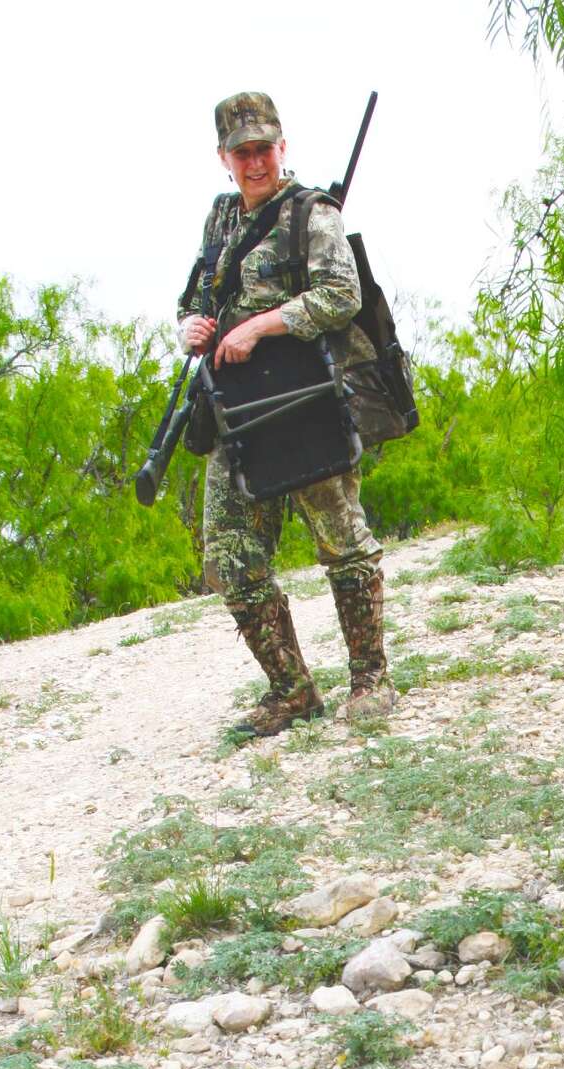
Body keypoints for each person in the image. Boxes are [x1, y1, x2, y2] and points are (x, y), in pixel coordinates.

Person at [178, 91, 395, 735]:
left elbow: (342, 293)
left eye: (264, 149)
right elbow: (196, 291)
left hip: (307, 403)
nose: (255, 162)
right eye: (242, 152)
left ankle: (370, 679)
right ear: (224, 157)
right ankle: (292, 689)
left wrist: (265, 325)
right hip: (237, 413)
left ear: (282, 146)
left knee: (342, 544)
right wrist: (193, 325)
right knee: (231, 556)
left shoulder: (311, 213)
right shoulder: (221, 219)